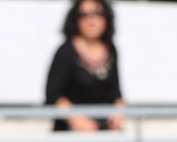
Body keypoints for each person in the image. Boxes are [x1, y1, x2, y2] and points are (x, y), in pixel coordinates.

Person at [46, 0, 125, 132]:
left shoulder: (111, 50)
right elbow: (53, 95)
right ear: (76, 19)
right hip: (72, 134)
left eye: (98, 14)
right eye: (84, 15)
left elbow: (116, 92)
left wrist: (119, 113)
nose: (92, 20)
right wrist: (77, 119)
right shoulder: (66, 51)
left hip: (106, 132)